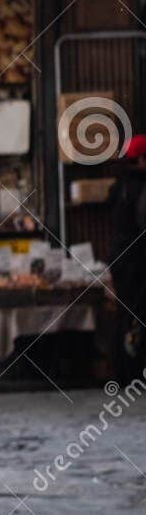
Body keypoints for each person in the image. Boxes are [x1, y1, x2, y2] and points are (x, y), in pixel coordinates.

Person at [107, 134, 146, 370]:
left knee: (126, 311)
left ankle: (123, 369)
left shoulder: (119, 186)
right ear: (141, 160)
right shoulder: (141, 187)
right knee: (139, 312)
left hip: (120, 256)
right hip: (138, 259)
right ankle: (134, 367)